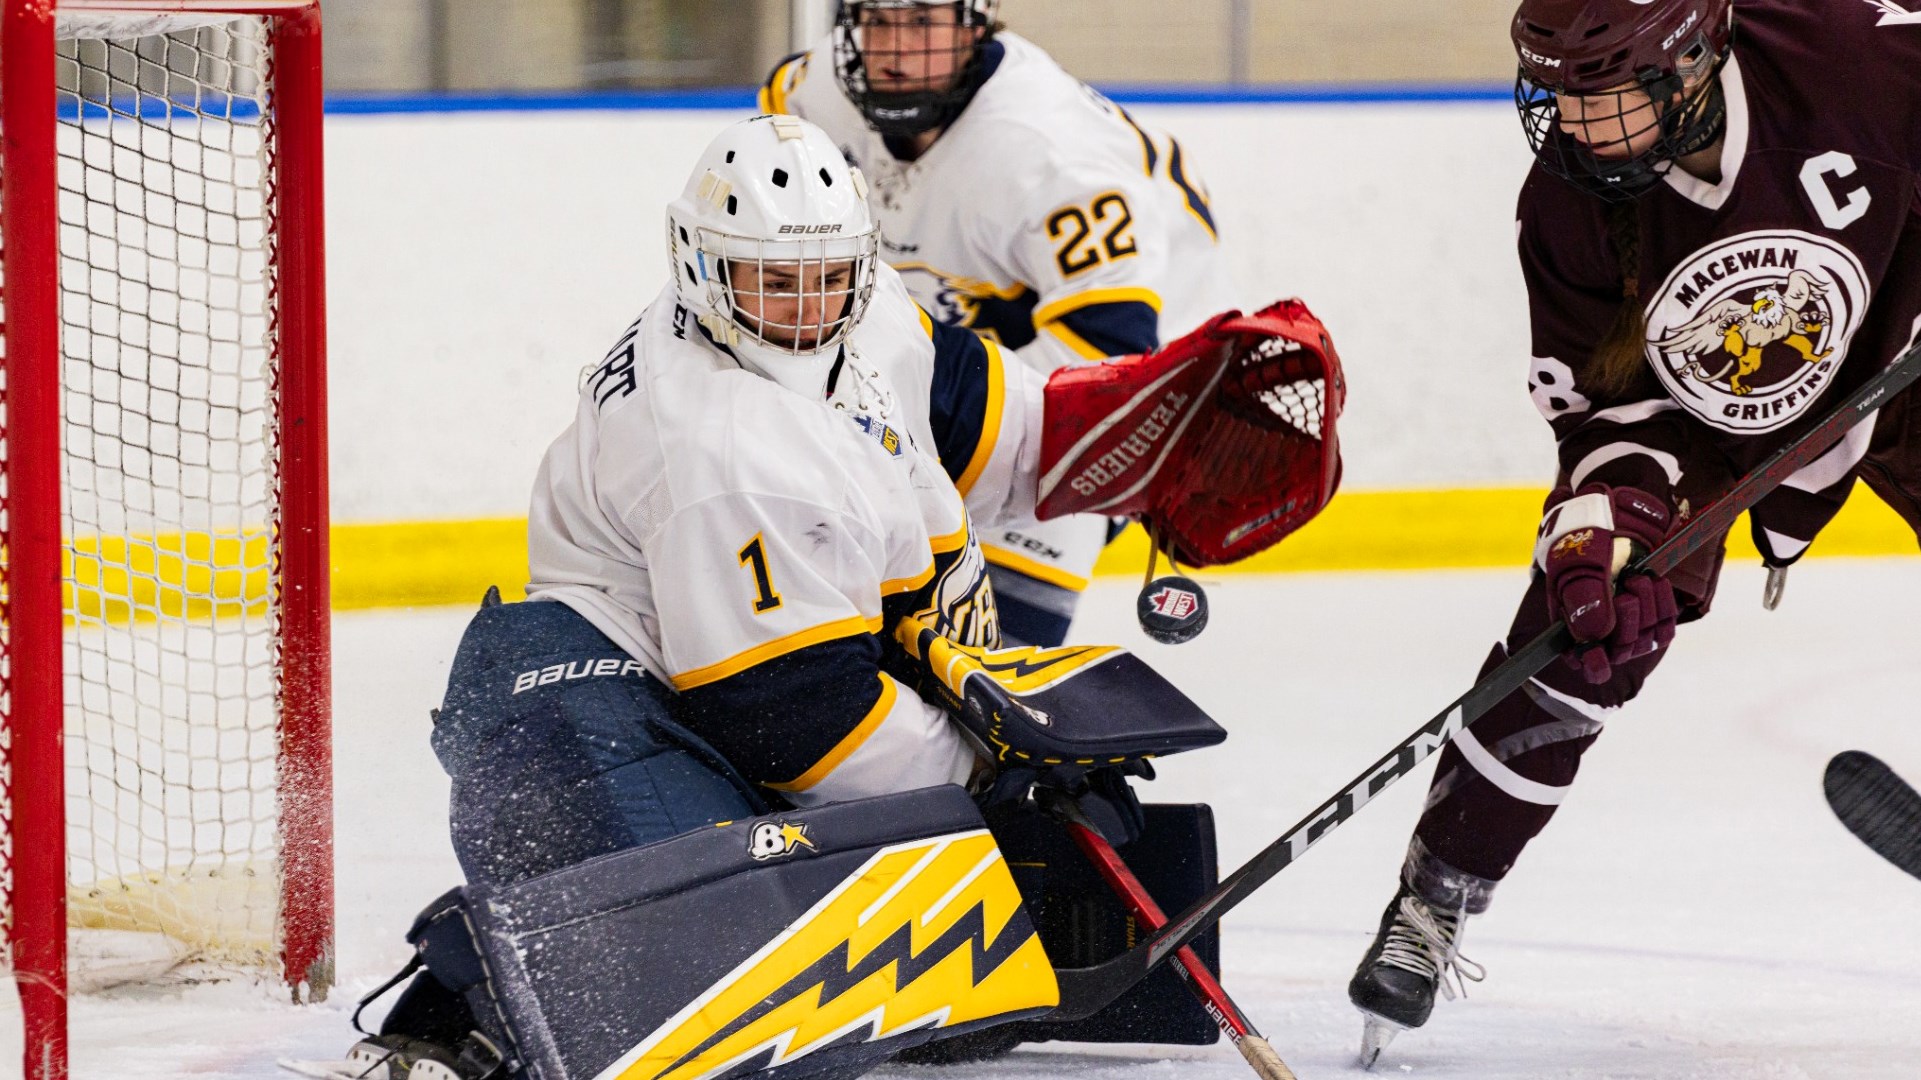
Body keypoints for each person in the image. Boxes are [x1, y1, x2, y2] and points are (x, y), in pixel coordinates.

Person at [336, 114, 1342, 1080]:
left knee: (936, 1001)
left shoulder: (864, 318)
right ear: (700, 263)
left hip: (686, 692)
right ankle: (466, 998)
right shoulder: (722, 441)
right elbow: (797, 720)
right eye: (774, 283)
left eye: (827, 279)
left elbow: (961, 408)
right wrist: (991, 781)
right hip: (572, 716)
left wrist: (1108, 436)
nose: (806, 309)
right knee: (748, 1002)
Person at [1347, 0, 1921, 1066]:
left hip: (1895, 335)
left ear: (1694, 60)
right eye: (1557, 94)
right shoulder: (1566, 204)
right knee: (1583, 632)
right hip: (1699, 423)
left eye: (1602, 96)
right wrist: (1610, 521)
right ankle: (1433, 898)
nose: (1572, 124)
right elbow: (1606, 407)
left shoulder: (1858, 55)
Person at [761, 0, 1237, 647]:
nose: (894, 50)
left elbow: (1108, 359)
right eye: (876, 21)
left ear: (972, 25)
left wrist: (920, 448)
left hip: (1132, 362)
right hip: (964, 317)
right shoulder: (820, 90)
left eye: (921, 22)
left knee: (981, 648)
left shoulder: (1050, 156)